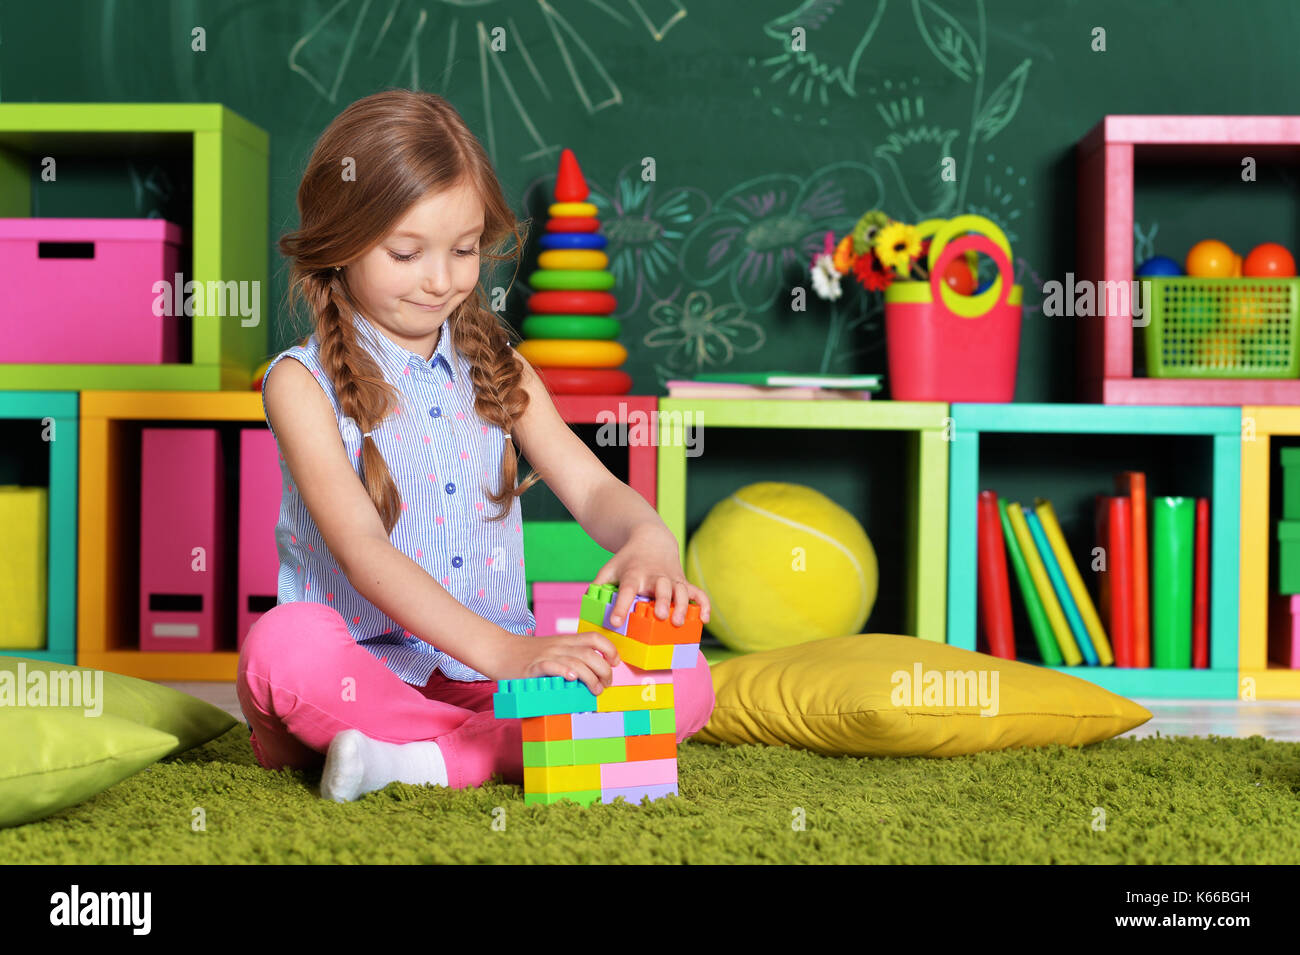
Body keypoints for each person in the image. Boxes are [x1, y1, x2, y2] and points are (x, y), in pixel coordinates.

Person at [237, 89, 714, 802]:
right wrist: (511, 652)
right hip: (367, 675)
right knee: (281, 649)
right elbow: (363, 550)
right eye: (406, 253)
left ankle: (419, 761)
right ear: (339, 242)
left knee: (688, 681)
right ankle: (497, 754)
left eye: (463, 251)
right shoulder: (299, 385)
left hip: (492, 684)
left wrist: (648, 537)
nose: (442, 280)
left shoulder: (501, 367)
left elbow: (589, 487)